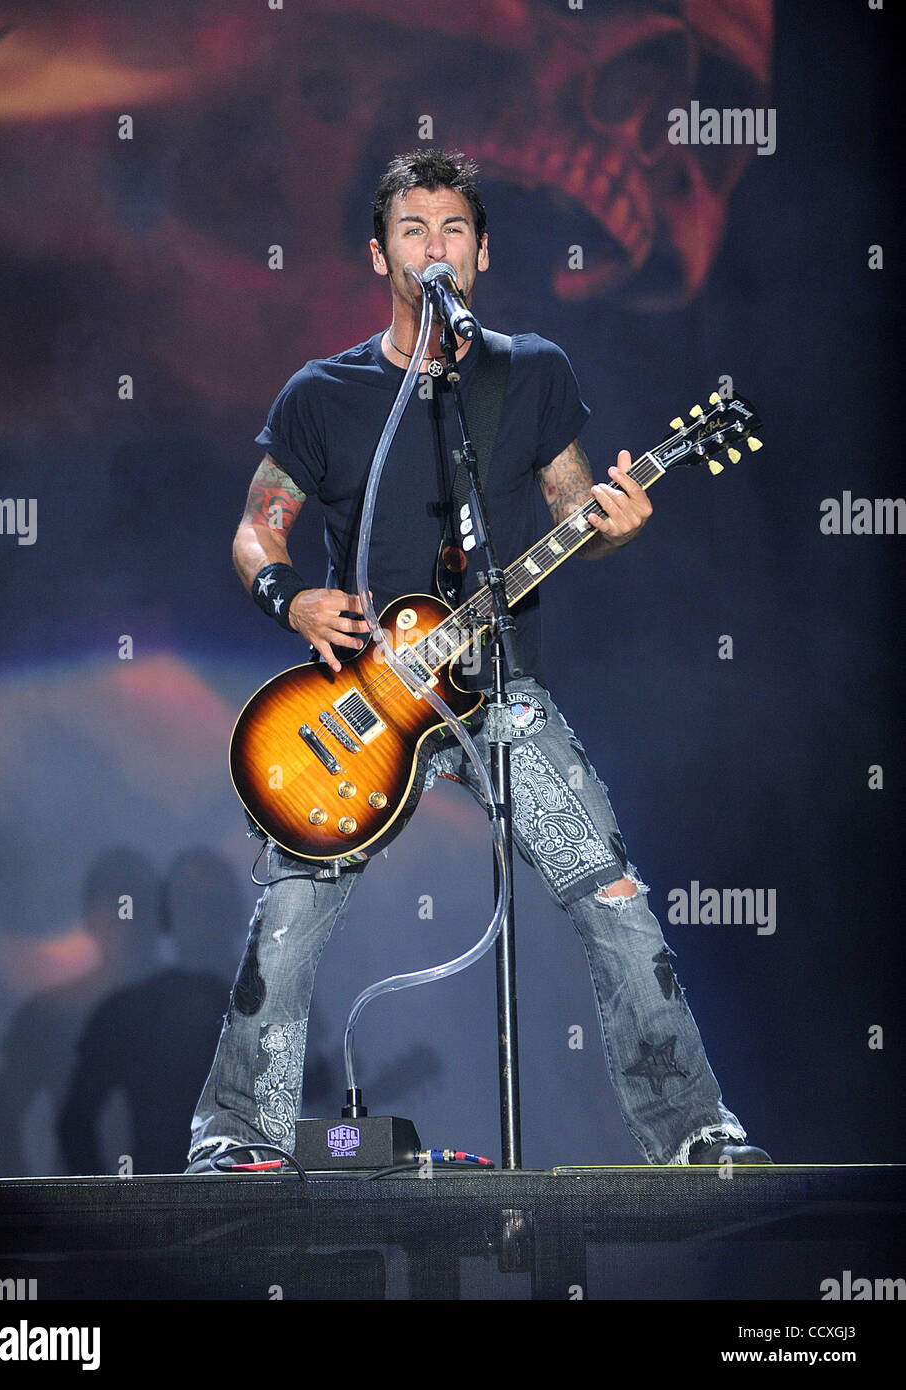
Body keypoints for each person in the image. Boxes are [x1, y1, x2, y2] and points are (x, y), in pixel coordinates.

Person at [187, 150, 770, 1172]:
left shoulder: (530, 371)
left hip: (500, 695)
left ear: (482, 251)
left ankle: (693, 1135)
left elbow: (575, 508)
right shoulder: (323, 394)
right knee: (287, 917)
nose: (434, 246)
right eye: (413, 230)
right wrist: (294, 597)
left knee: (613, 896)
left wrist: (621, 520)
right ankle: (239, 1137)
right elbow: (255, 526)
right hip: (359, 702)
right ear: (381, 254)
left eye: (453, 228)